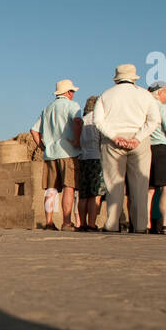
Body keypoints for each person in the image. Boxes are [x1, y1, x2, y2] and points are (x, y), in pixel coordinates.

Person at [92, 63, 160, 233]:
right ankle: (140, 225)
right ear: (133, 77)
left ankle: (112, 223)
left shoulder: (106, 95)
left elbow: (98, 121)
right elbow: (154, 120)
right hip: (139, 139)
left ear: (117, 78)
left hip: (113, 140)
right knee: (140, 184)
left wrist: (115, 136)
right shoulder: (145, 95)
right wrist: (137, 138)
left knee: (114, 183)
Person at [29, 78, 83, 230]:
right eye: (72, 91)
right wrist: (77, 141)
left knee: (51, 189)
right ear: (67, 92)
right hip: (68, 151)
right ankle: (66, 222)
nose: (73, 94)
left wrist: (42, 147)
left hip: (50, 153)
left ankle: (49, 222)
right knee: (69, 186)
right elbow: (78, 122)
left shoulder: (47, 108)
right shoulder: (72, 105)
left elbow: (33, 130)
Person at [145, 82, 166, 234]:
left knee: (149, 189)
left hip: (146, 149)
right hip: (163, 149)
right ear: (158, 93)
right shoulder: (164, 108)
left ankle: (144, 223)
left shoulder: (144, 109)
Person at [74, 95, 106, 231]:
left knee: (83, 194)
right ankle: (92, 224)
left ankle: (81, 224)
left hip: (83, 158)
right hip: (96, 158)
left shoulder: (82, 121)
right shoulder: (98, 121)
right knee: (95, 194)